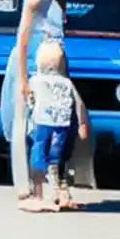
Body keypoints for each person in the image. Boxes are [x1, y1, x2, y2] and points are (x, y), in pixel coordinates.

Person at [0, 0, 95, 211]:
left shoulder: (51, 0)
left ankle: (59, 188)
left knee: (63, 127)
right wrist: (23, 80)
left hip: (55, 71)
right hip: (33, 69)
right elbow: (22, 40)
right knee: (32, 130)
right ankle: (30, 191)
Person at [28, 41, 90, 212]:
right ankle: (57, 192)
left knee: (40, 155)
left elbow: (28, 100)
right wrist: (82, 123)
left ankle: (41, 194)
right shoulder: (66, 82)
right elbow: (79, 105)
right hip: (61, 123)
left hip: (42, 123)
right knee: (56, 156)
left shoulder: (35, 80)